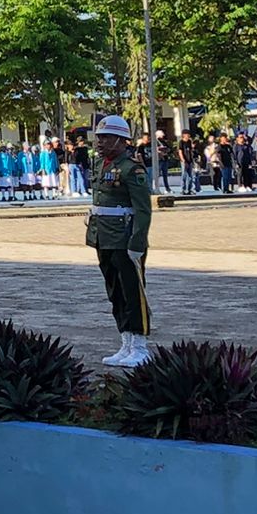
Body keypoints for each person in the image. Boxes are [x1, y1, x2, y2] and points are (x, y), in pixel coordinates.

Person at [86, 114, 153, 367]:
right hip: (104, 237)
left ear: (121, 140)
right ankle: (125, 341)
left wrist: (137, 244)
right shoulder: (100, 166)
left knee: (133, 293)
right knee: (115, 293)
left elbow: (143, 210)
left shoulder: (131, 169)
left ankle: (140, 345)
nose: (99, 142)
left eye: (105, 138)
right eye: (99, 137)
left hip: (125, 240)